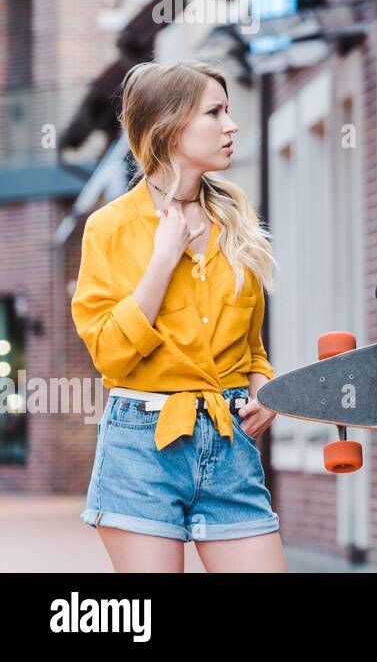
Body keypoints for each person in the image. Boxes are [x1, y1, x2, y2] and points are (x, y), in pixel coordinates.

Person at [72, 59, 285, 572]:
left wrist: (263, 387)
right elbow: (112, 354)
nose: (231, 125)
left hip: (230, 444)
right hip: (142, 447)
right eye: (215, 113)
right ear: (168, 127)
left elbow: (251, 346)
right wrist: (163, 259)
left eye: (228, 111)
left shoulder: (237, 220)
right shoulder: (111, 228)